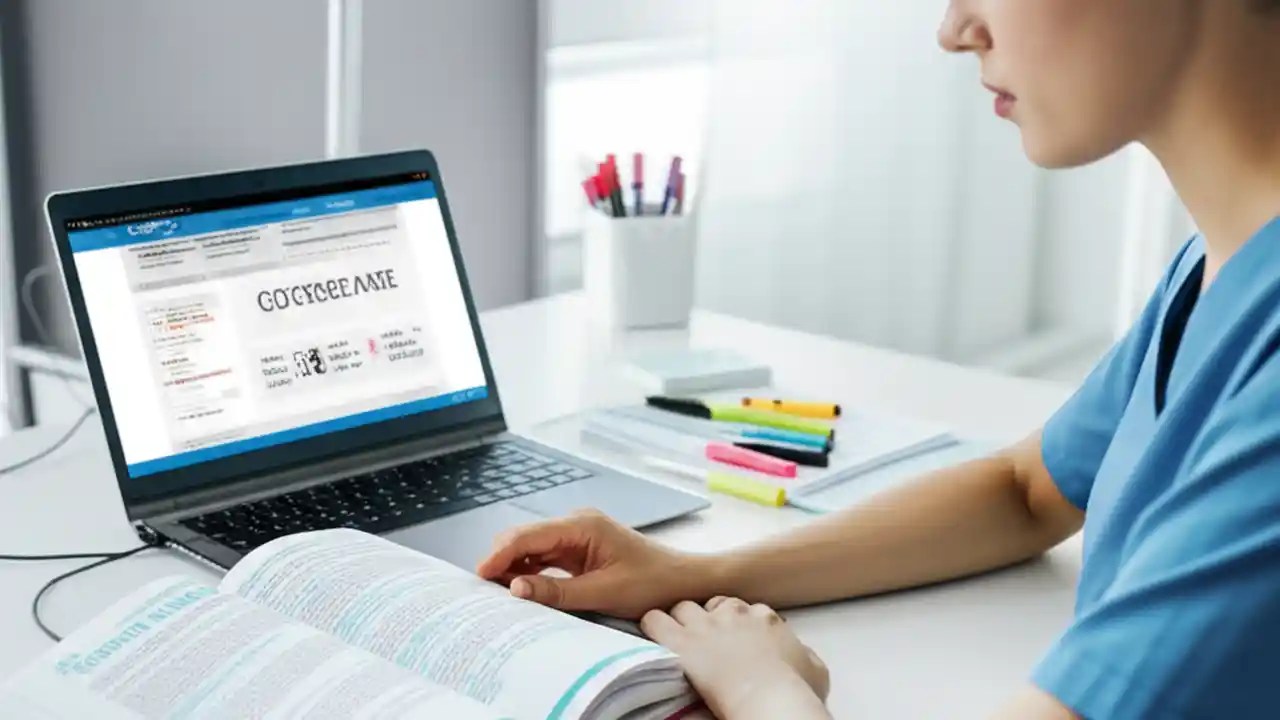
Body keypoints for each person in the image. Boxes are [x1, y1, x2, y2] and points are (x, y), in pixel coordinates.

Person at [480, 0, 1280, 717]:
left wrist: (766, 689)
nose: (953, 29)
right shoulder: (1214, 270)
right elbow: (1025, 491)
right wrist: (692, 574)